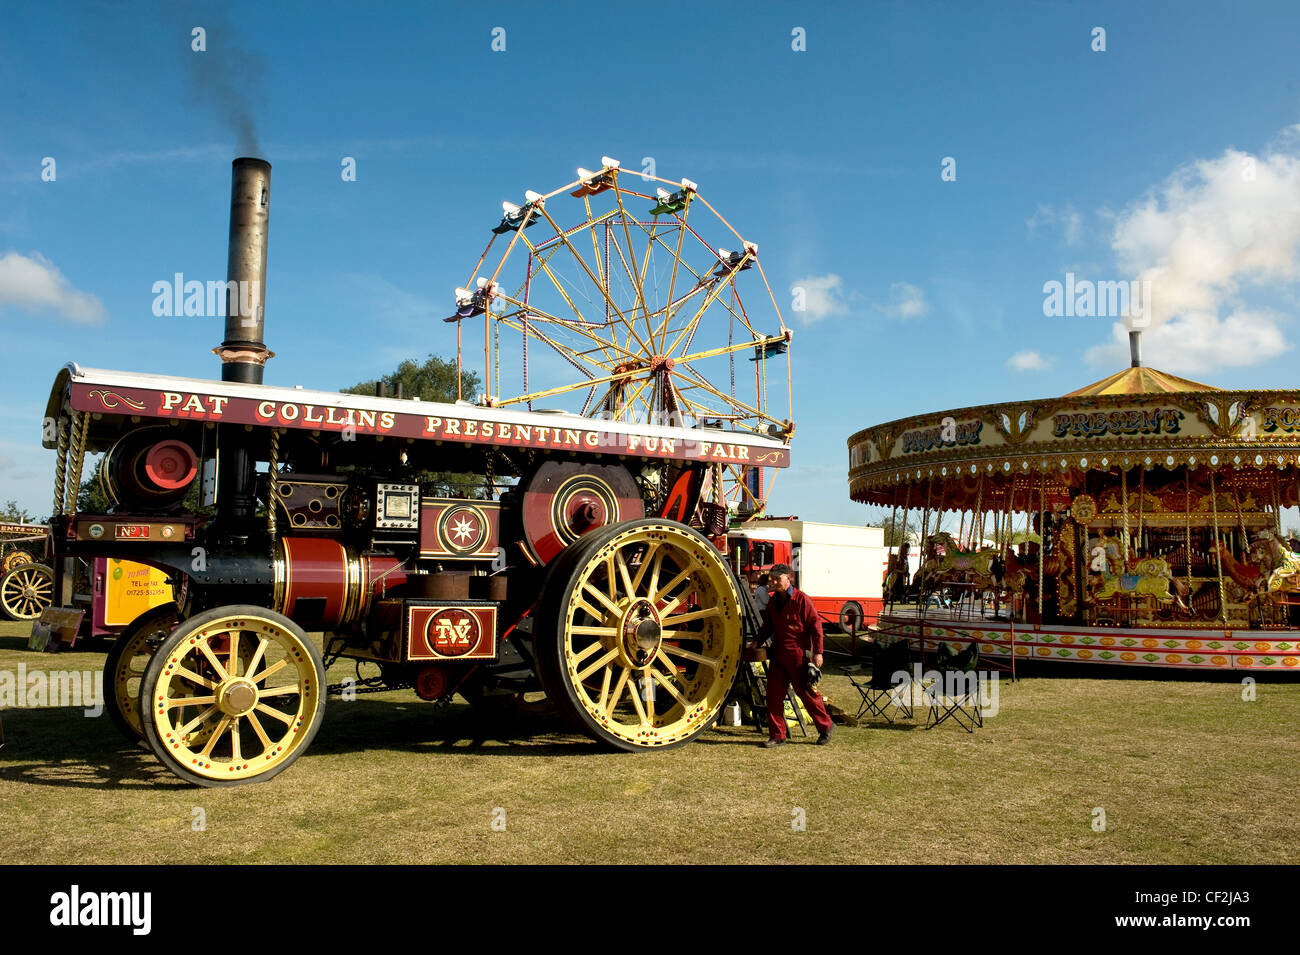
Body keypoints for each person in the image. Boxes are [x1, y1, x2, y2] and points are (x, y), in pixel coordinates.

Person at [756, 563, 835, 747]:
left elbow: (816, 627)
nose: (774, 582)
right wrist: (756, 642)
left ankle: (826, 726)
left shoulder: (802, 600)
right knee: (773, 696)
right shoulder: (773, 602)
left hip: (798, 656)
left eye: (778, 579)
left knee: (806, 694)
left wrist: (818, 653)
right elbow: (767, 626)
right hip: (778, 654)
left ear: (788, 578)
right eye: (772, 579)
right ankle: (777, 736)